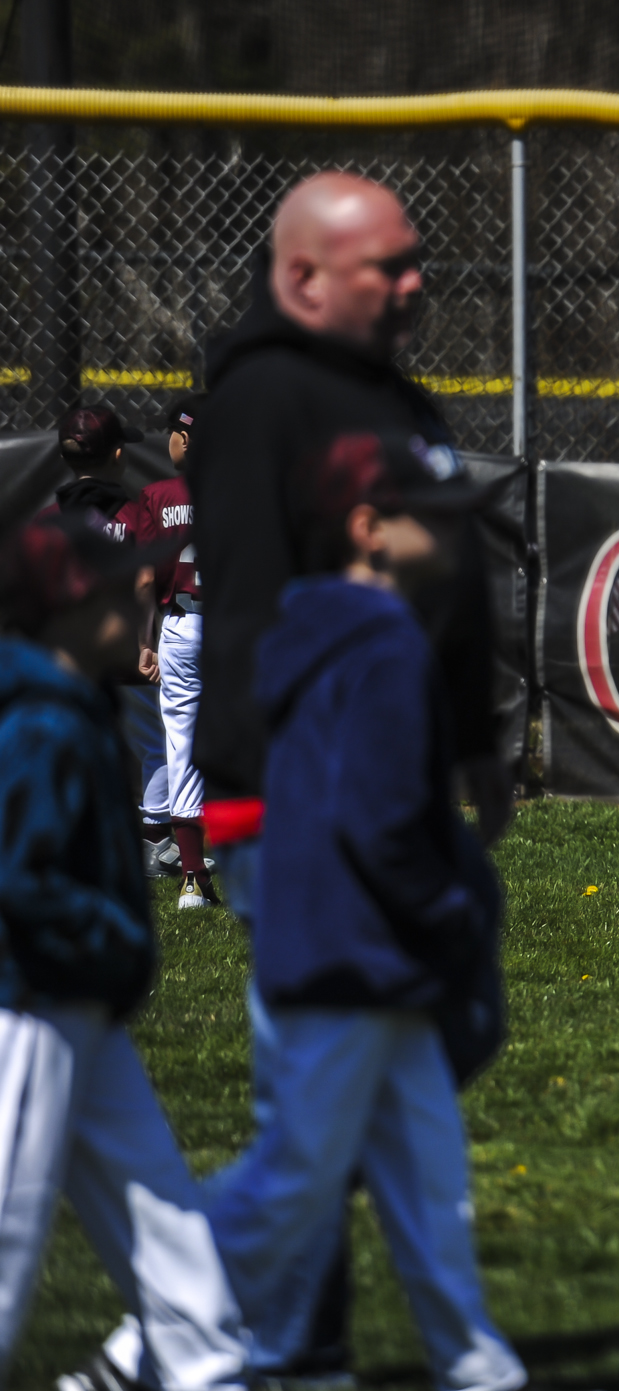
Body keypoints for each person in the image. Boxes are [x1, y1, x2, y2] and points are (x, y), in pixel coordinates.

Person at [205, 431, 522, 1391]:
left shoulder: (316, 628)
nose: (453, 535)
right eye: (434, 518)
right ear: (368, 528)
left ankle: (476, 1362)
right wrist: (450, 914)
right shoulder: (385, 643)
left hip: (353, 951)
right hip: (355, 954)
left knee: (429, 1181)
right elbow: (381, 824)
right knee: (292, 1182)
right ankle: (148, 1341)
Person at [192, 170, 511, 926]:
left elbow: (454, 582)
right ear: (305, 277)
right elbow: (252, 614)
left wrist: (473, 739)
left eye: (416, 262)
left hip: (392, 780)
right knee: (341, 996)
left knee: (429, 986)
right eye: (388, 267)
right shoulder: (261, 399)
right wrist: (283, 800)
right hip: (305, 796)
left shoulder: (394, 396)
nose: (415, 283)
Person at [0, 510, 248, 1391]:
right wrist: (114, 939)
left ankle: (211, 1368)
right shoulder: (39, 724)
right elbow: (18, 883)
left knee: (166, 1218)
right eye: (113, 588)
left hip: (83, 1008)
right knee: (8, 1235)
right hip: (28, 1005)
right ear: (68, 609)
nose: (134, 592)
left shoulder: (72, 706)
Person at [40, 405, 171, 880]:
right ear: (118, 455)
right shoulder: (137, 514)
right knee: (155, 744)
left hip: (65, 660)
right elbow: (144, 582)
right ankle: (155, 842)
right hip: (125, 655)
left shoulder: (47, 520)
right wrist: (146, 643)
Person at [125, 395, 215, 908]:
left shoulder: (157, 495)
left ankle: (191, 877)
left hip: (183, 624)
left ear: (182, 439)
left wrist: (145, 642)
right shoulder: (249, 490)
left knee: (181, 744)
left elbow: (144, 580)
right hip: (238, 627)